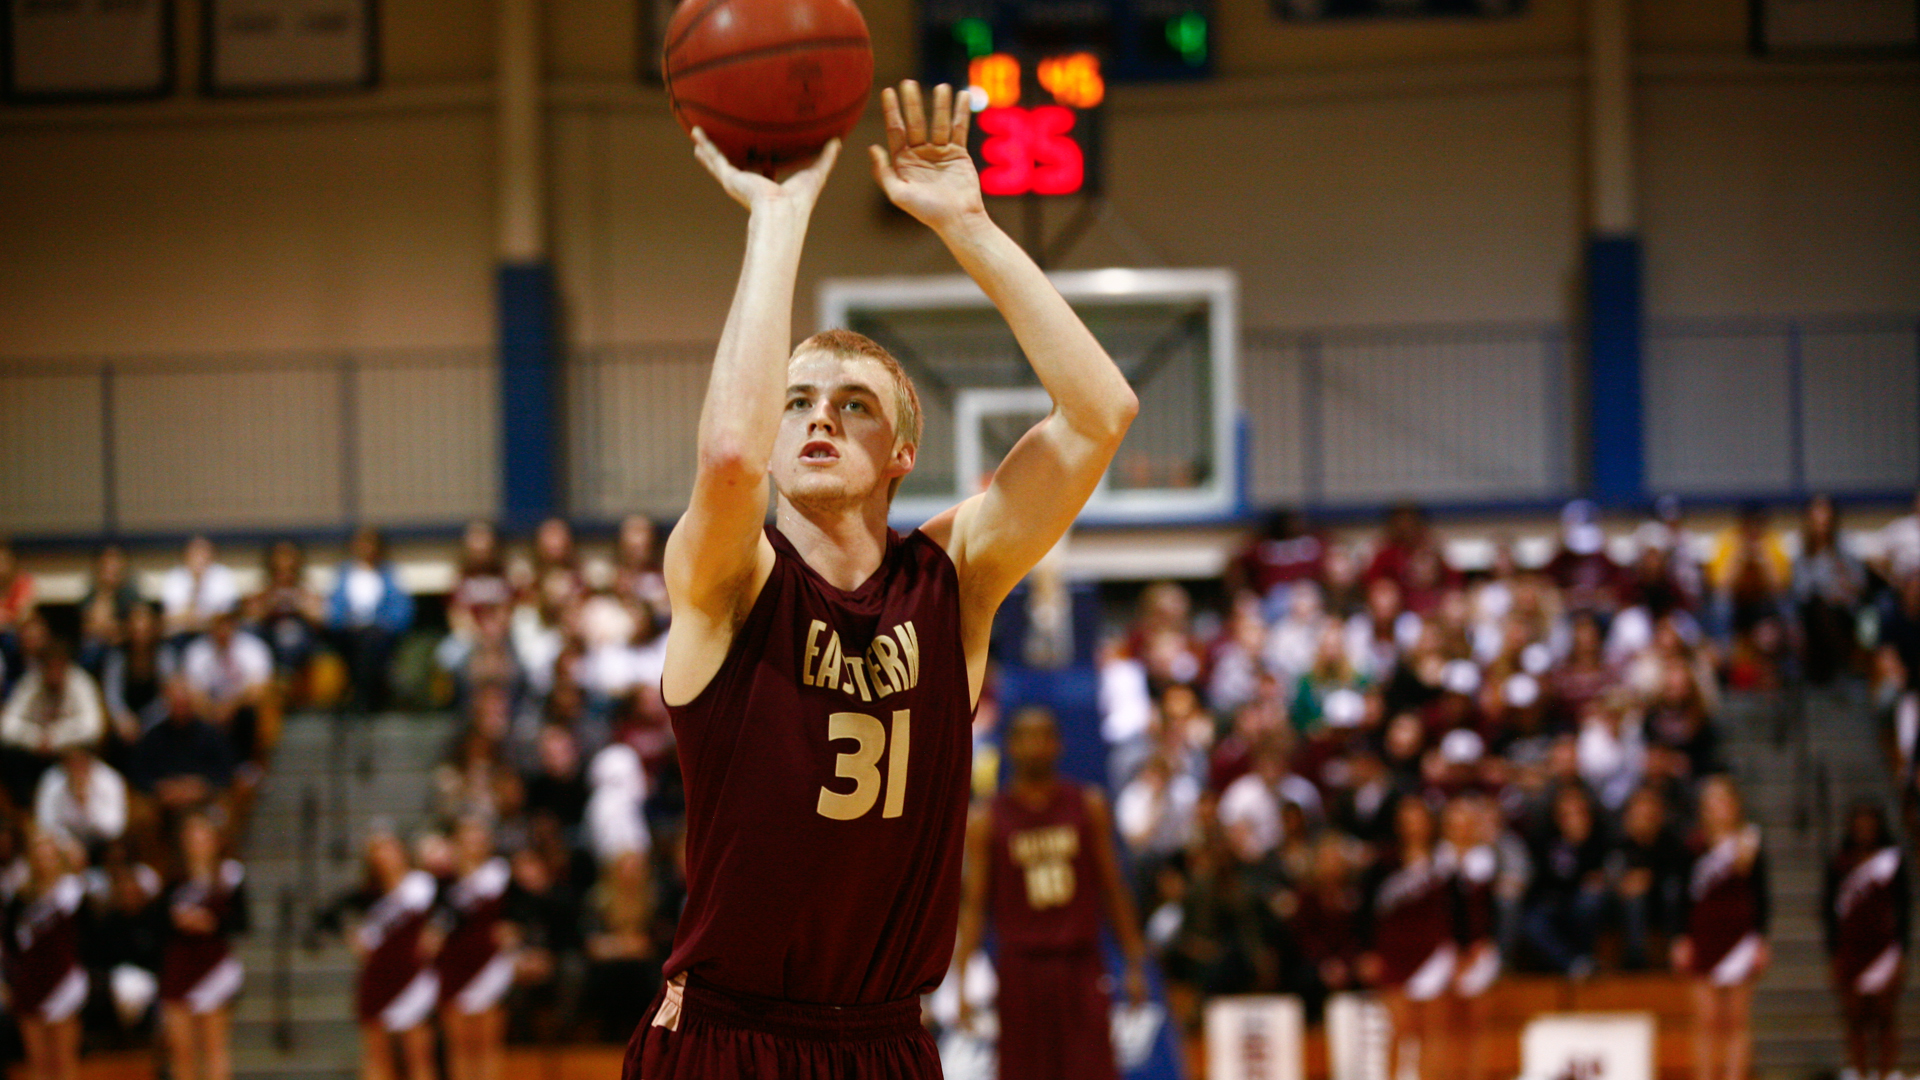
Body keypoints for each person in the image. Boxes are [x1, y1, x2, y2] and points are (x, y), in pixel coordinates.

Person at [622, 79, 1136, 1080]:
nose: (817, 418)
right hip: (727, 1037)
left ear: (902, 452)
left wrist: (970, 226)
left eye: (853, 405)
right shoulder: (726, 580)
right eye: (797, 400)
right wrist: (778, 218)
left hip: (886, 1043)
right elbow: (726, 454)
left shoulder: (952, 580)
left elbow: (1099, 413)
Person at [953, 707, 1148, 1080]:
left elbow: (1113, 889)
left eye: (1043, 736)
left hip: (1079, 963)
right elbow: (974, 905)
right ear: (1010, 746)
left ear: (1058, 744)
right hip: (1019, 969)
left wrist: (1135, 963)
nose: (1035, 745)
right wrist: (961, 982)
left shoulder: (1088, 804)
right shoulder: (987, 819)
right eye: (1026, 736)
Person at [1672, 775, 1770, 1080]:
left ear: (1736, 804)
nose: (1719, 807)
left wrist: (1761, 939)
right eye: (1712, 801)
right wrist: (1680, 937)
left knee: (1737, 1021)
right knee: (1706, 1021)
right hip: (1702, 935)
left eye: (1724, 800)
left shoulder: (1750, 843)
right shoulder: (1692, 846)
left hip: (1739, 936)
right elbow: (1680, 896)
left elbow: (1761, 894)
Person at [1359, 797, 1456, 1080]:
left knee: (1431, 1031)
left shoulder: (1444, 861)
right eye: (1407, 820)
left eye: (1419, 818)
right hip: (1393, 954)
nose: (1414, 826)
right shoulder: (1384, 863)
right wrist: (1367, 952)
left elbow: (1458, 909)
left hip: (1433, 955)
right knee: (1399, 1029)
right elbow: (1366, 912)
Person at [1823, 801, 1909, 1080]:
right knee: (1855, 1017)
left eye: (1869, 824)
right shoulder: (1840, 863)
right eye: (1858, 825)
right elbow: (1828, 910)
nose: (1864, 830)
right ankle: (1859, 1071)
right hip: (1851, 947)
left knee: (1885, 1016)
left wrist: (1903, 951)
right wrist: (1833, 951)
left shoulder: (1892, 861)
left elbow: (1904, 909)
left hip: (1883, 947)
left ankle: (1885, 1071)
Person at [159, 813, 247, 1080]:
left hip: (213, 965)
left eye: (203, 835)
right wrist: (177, 920)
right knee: (181, 1049)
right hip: (179, 966)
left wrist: (210, 923)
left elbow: (242, 922)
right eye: (191, 835)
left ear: (215, 840)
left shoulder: (229, 876)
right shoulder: (173, 879)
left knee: (214, 1048)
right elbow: (155, 922)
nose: (197, 841)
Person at [353, 829, 440, 1080]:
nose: (385, 855)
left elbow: (450, 910)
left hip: (413, 975)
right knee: (377, 1056)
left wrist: (437, 930)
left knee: (419, 1054)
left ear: (402, 850)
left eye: (389, 847)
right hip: (378, 976)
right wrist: (352, 936)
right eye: (378, 850)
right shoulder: (366, 894)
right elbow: (335, 918)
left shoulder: (422, 884)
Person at [3, 829, 89, 1080]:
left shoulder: (73, 894)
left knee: (64, 1059)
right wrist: (8, 982)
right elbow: (11, 944)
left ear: (58, 858)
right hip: (29, 983)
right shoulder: (20, 900)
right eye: (38, 856)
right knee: (37, 1062)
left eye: (50, 856)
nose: (44, 862)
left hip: (64, 979)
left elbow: (84, 937)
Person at [435, 818, 513, 1080]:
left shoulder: (500, 874)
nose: (473, 843)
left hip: (489, 963)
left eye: (479, 836)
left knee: (487, 1044)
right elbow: (433, 922)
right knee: (459, 1046)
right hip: (453, 964)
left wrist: (514, 929)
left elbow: (521, 911)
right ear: (455, 842)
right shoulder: (441, 883)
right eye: (467, 836)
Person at [328, 527, 415, 713]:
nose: (365, 548)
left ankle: (361, 697)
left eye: (370, 543)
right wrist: (347, 621)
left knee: (369, 640)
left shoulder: (389, 573)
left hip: (380, 633)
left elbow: (402, 610)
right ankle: (368, 696)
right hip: (348, 633)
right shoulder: (344, 573)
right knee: (360, 642)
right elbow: (333, 609)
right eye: (361, 543)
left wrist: (381, 622)